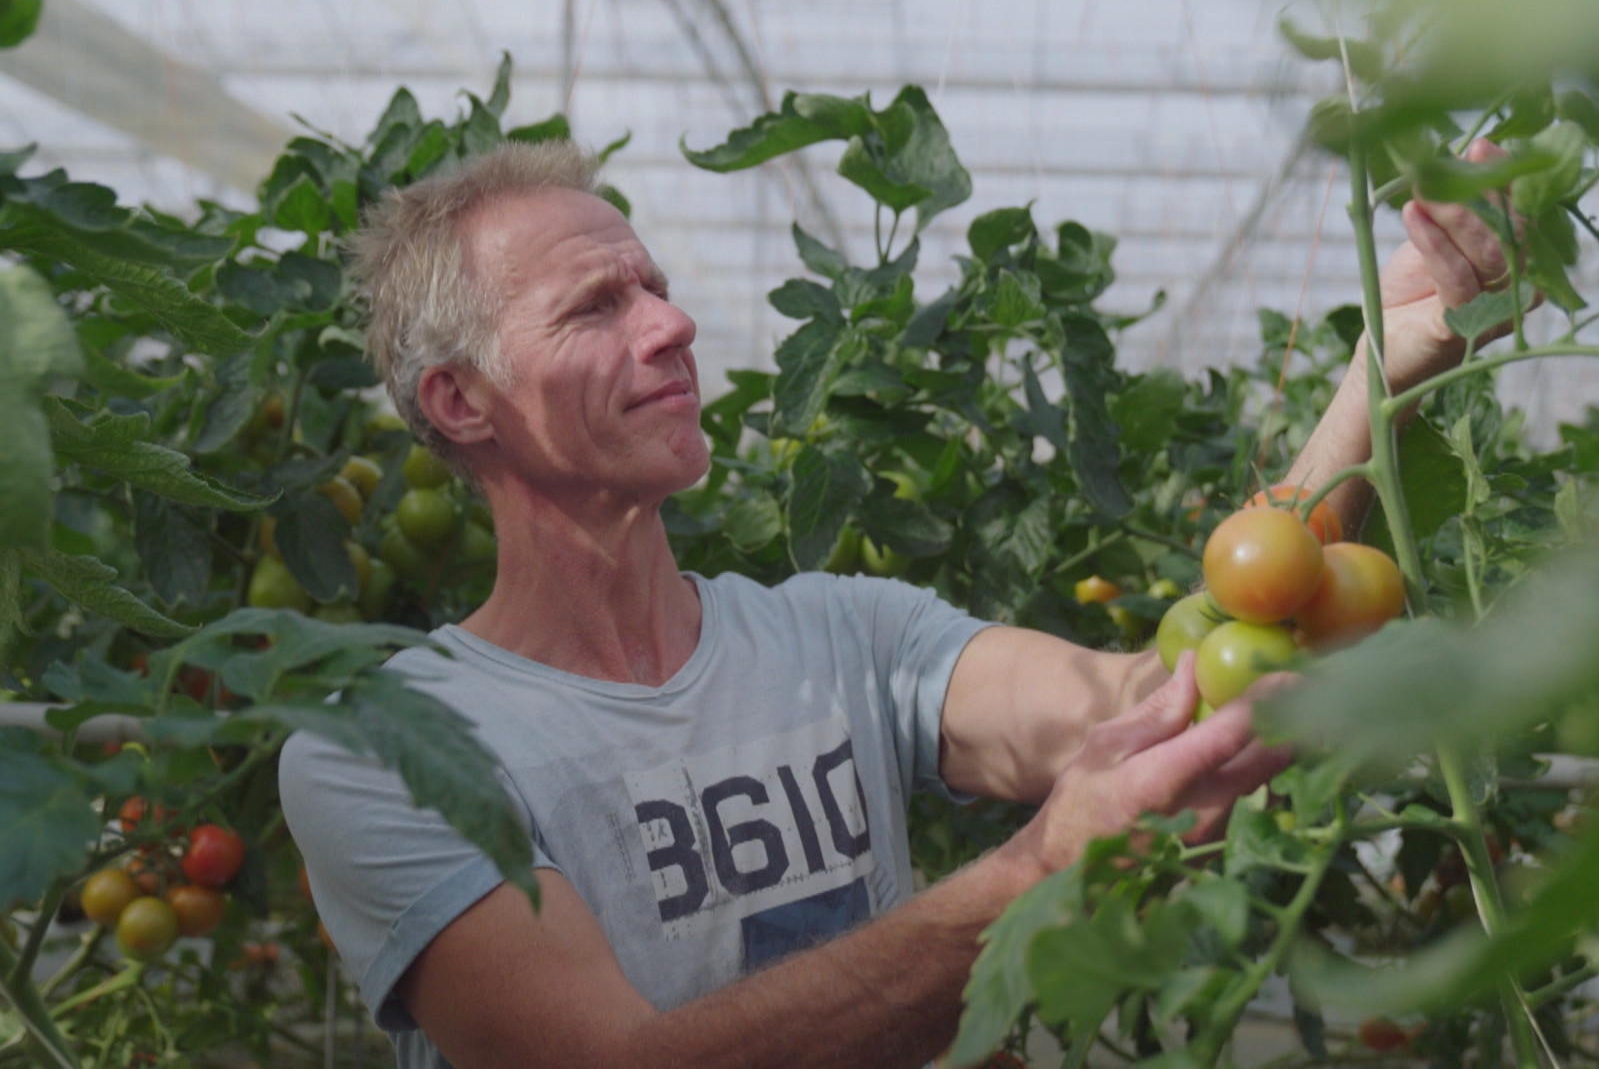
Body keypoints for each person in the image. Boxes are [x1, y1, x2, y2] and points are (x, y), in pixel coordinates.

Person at [279, 137, 1517, 1069]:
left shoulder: (847, 637)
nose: (673, 323)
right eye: (597, 307)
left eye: (653, 285)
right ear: (459, 402)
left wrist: (1380, 363)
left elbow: (1154, 702)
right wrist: (1037, 871)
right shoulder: (383, 751)